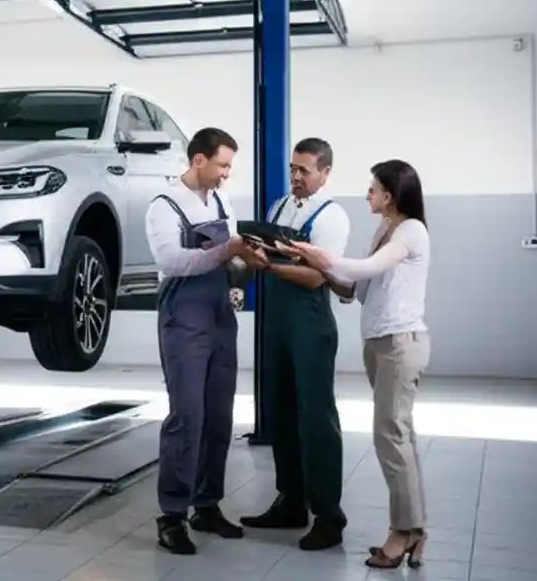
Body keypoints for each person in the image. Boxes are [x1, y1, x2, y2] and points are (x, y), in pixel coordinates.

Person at [281, 159, 432, 570]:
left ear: (390, 194)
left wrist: (320, 255)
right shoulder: (385, 229)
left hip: (401, 344)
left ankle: (401, 533)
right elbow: (359, 288)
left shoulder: (410, 230)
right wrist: (316, 267)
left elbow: (367, 268)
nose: (368, 194)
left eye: (373, 188)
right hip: (380, 343)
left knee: (390, 437)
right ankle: (415, 530)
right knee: (400, 436)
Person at [144, 126, 255, 555]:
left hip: (219, 315)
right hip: (184, 315)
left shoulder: (222, 199)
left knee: (219, 416)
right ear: (198, 161)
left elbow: (231, 253)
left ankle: (206, 505)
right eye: (223, 165)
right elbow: (170, 260)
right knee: (186, 416)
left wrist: (246, 261)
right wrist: (225, 253)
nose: (227, 174)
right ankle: (171, 515)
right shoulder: (164, 205)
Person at [240, 137, 351, 551]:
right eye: (293, 168)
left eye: (304, 170)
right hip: (277, 322)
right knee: (281, 411)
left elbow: (316, 277)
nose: (296, 177)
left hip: (309, 322)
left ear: (325, 173)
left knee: (316, 418)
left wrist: (266, 263)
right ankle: (290, 502)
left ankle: (328, 516)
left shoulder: (332, 217)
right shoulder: (278, 208)